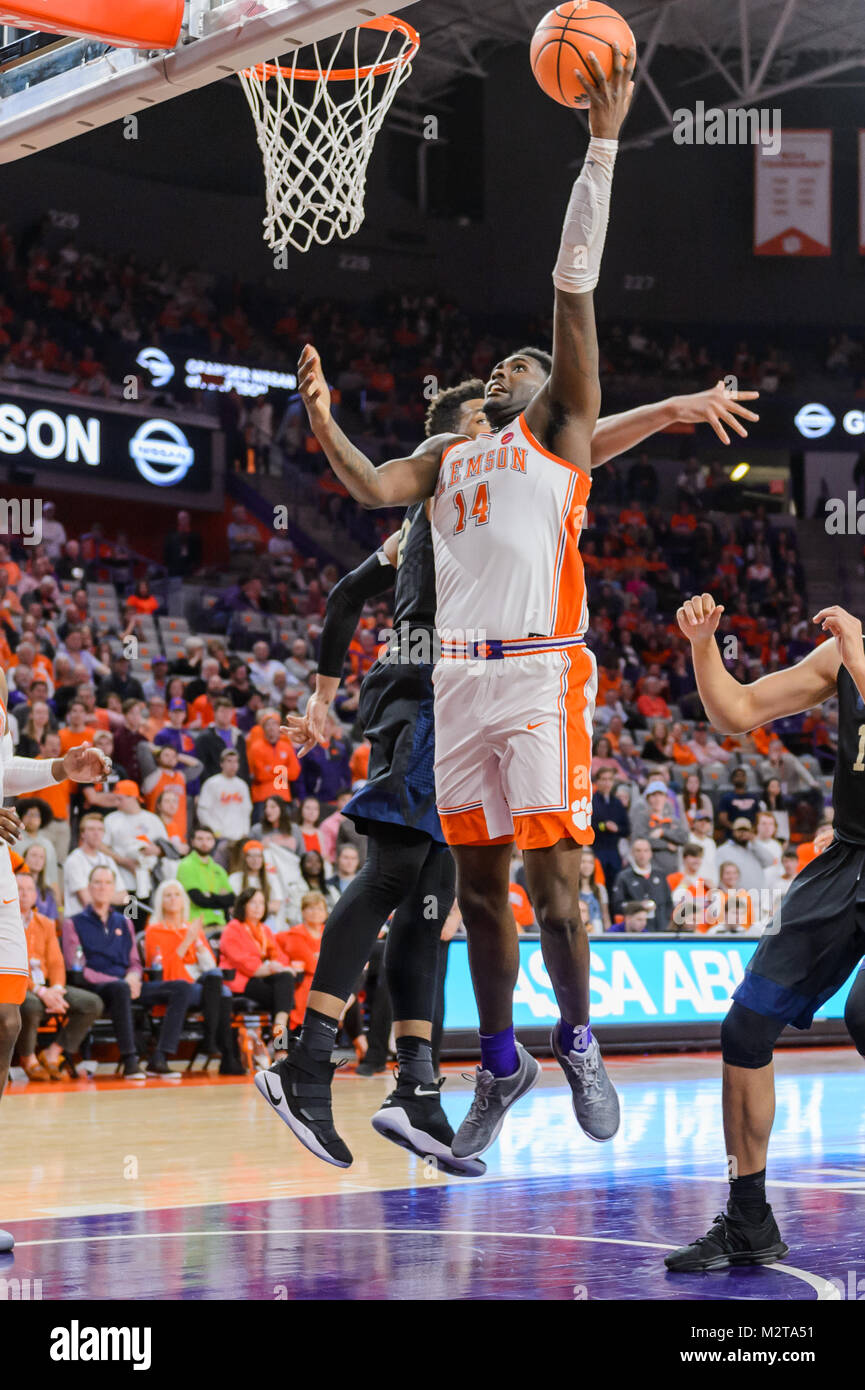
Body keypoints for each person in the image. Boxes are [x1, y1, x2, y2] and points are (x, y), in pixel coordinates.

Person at [666, 595, 865, 1273]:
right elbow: (739, 711)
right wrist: (702, 645)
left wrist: (859, 660)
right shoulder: (844, 650)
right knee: (744, 1027)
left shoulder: (854, 652)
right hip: (849, 859)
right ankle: (747, 1219)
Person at [63, 864, 194, 1079]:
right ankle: (130, 1060)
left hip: (126, 983)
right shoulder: (73, 922)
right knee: (120, 988)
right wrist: (121, 980)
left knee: (181, 988)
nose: (102, 887)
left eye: (107, 883)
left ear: (114, 888)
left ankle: (159, 1058)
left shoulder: (124, 921)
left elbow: (134, 961)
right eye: (97, 882)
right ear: (89, 886)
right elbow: (78, 967)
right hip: (96, 986)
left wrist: (133, 976)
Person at [144, 879, 243, 1074]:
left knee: (219, 983)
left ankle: (217, 1047)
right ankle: (225, 1054)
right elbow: (163, 969)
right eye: (168, 895)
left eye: (177, 895)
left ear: (184, 901)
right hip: (171, 984)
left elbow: (210, 967)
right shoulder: (154, 930)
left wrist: (197, 943)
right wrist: (188, 939)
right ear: (160, 901)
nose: (173, 899)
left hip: (199, 985)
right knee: (222, 992)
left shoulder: (191, 928)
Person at [16, 871, 103, 1081]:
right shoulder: (5, 922)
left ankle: (53, 1052)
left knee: (92, 1003)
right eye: (19, 889)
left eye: (29, 889)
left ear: (36, 895)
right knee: (31, 1004)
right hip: (19, 986)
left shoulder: (45, 922)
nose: (25, 894)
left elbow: (56, 962)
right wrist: (40, 991)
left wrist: (55, 989)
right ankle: (27, 1058)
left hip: (46, 985)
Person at [218, 888, 294, 1068]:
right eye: (253, 902)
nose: (258, 907)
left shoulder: (265, 929)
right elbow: (242, 962)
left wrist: (282, 966)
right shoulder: (233, 929)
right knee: (284, 996)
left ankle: (279, 1026)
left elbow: (279, 956)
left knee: (285, 981)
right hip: (241, 981)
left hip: (263, 978)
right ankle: (281, 1046)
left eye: (261, 903)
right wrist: (271, 967)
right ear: (242, 905)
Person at [177, 827, 235, 933]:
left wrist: (210, 896)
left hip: (220, 924)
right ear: (192, 842)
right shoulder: (186, 865)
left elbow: (231, 899)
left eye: (209, 839)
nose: (204, 842)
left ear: (214, 842)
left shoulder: (218, 869)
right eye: (200, 839)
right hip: (196, 926)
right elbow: (198, 899)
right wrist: (220, 898)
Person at [611, 837, 674, 930]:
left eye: (645, 850)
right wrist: (638, 906)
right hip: (637, 932)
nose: (642, 854)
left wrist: (666, 922)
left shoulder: (660, 875)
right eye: (638, 851)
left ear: (651, 853)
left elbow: (668, 902)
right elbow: (617, 905)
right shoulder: (624, 877)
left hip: (661, 928)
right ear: (632, 853)